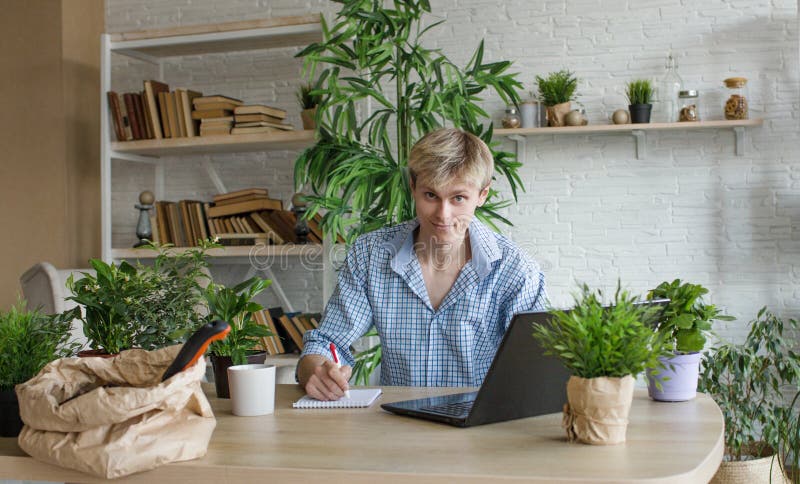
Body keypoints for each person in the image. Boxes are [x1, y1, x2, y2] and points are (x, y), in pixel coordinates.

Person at [297, 127, 547, 400]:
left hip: (479, 429)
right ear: (413, 187)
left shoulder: (516, 270)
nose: (443, 214)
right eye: (431, 195)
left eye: (458, 198)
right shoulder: (370, 255)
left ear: (482, 195)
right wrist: (315, 370)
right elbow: (328, 341)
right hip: (397, 427)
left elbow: (536, 366)